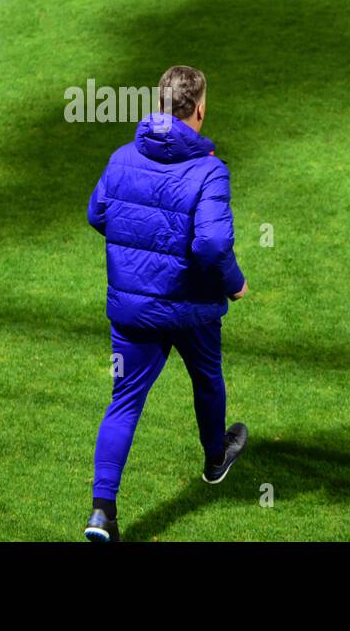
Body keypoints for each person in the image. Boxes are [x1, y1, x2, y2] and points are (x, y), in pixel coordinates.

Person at [83, 65, 249, 543]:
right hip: (192, 307)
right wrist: (235, 284)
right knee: (207, 379)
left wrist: (134, 252)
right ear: (199, 108)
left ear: (160, 104)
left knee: (124, 403)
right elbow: (213, 245)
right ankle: (215, 460)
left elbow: (98, 213)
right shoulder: (209, 170)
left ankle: (102, 513)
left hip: (133, 310)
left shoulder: (121, 159)